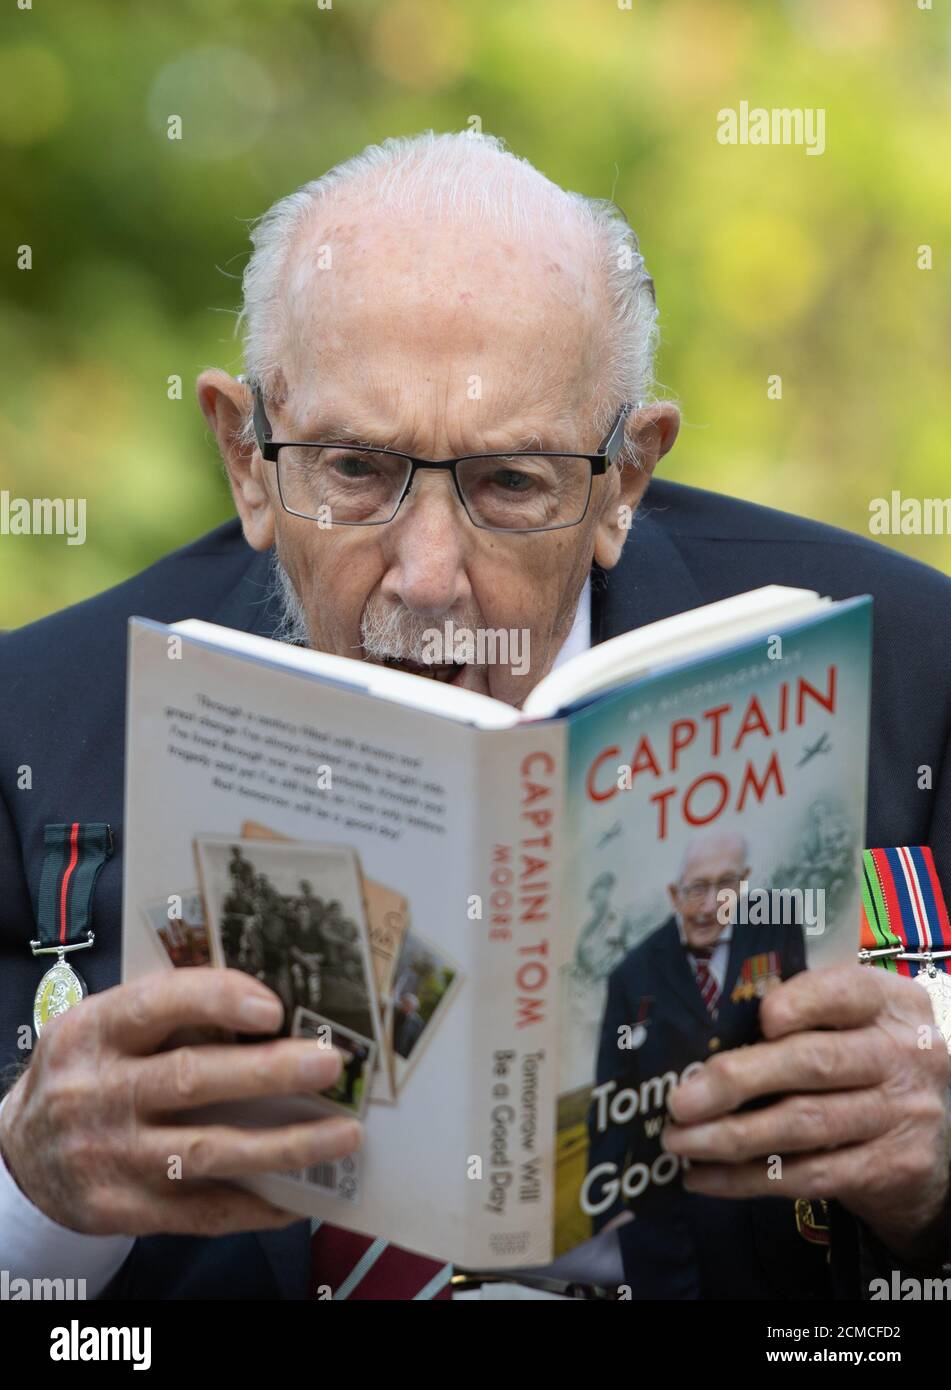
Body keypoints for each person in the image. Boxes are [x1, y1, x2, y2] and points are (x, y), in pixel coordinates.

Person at [1, 132, 950, 1301]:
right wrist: (28, 1198)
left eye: (511, 482)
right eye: (355, 467)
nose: (429, 576)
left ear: (624, 481)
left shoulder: (917, 671)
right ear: (248, 460)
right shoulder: (33, 722)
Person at [587, 832, 813, 1296]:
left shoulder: (778, 926)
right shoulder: (631, 975)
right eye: (695, 889)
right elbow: (610, 1093)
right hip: (672, 1225)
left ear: (745, 883)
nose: (710, 906)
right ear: (674, 894)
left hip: (770, 1208)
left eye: (726, 885)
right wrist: (608, 1212)